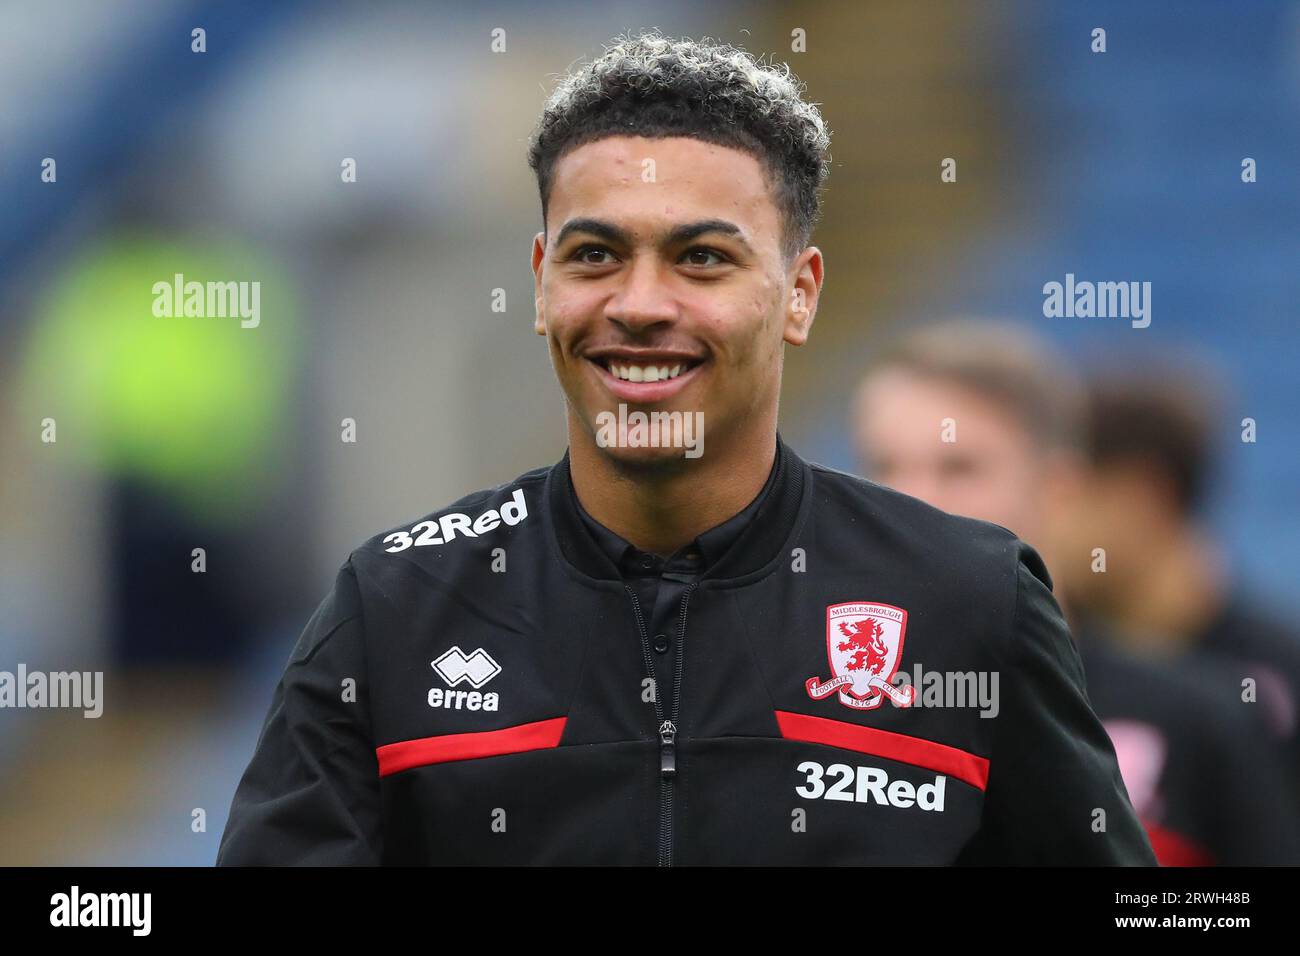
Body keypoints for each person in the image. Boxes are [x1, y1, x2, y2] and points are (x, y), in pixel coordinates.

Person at [217, 32, 1153, 866]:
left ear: (799, 293)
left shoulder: (969, 599)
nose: (640, 304)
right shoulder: (393, 612)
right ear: (542, 283)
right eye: (595, 255)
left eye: (702, 257)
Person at [851, 319, 1299, 864]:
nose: (910, 500)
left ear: (1058, 487)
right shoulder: (812, 710)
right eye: (883, 466)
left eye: (960, 467)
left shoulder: (1201, 721)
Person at [1055, 369, 1300, 815]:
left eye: (1072, 491)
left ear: (1146, 495)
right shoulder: (1050, 665)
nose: (1050, 515)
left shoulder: (1283, 673)